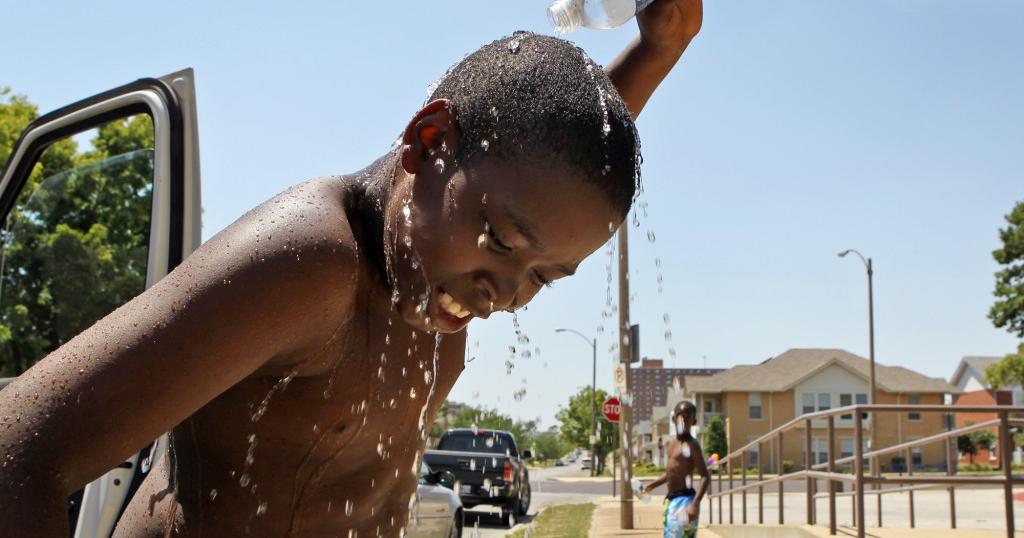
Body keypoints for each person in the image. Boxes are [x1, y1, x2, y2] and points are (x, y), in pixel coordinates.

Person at [0, 1, 703, 535]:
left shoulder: (437, 262)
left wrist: (658, 49)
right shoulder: (314, 264)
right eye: (499, 241)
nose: (506, 295)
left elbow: (548, 183)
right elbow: (18, 452)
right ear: (429, 143)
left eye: (544, 278)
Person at [642, 400, 711, 538]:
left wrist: (695, 504)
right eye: (679, 416)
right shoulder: (672, 443)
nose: (683, 420)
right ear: (673, 419)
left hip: (685, 501)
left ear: (694, 421)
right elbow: (671, 473)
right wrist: (651, 485)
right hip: (672, 500)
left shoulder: (692, 445)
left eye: (687, 417)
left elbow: (705, 476)